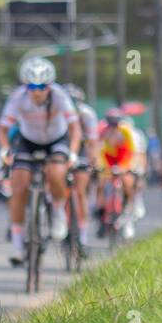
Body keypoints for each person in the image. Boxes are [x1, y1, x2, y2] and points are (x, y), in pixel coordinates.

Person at [0, 57, 80, 266]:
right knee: (19, 187)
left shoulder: (60, 96)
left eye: (42, 86)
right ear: (26, 85)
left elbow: (75, 128)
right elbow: (3, 129)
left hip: (56, 139)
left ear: (49, 86)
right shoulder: (18, 98)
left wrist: (73, 153)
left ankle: (59, 210)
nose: (37, 91)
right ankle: (18, 245)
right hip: (28, 140)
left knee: (56, 173)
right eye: (32, 86)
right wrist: (5, 149)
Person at [64, 84, 100, 251]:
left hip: (81, 151)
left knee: (80, 192)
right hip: (62, 149)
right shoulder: (57, 111)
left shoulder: (87, 114)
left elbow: (93, 142)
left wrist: (93, 161)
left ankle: (83, 236)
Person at [96, 110, 137, 238]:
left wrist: (124, 166)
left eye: (115, 124)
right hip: (107, 160)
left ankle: (127, 207)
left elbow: (131, 151)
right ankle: (101, 216)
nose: (113, 127)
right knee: (101, 185)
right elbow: (97, 149)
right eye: (110, 124)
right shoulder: (102, 130)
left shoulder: (125, 130)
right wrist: (100, 167)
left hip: (122, 159)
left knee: (128, 182)